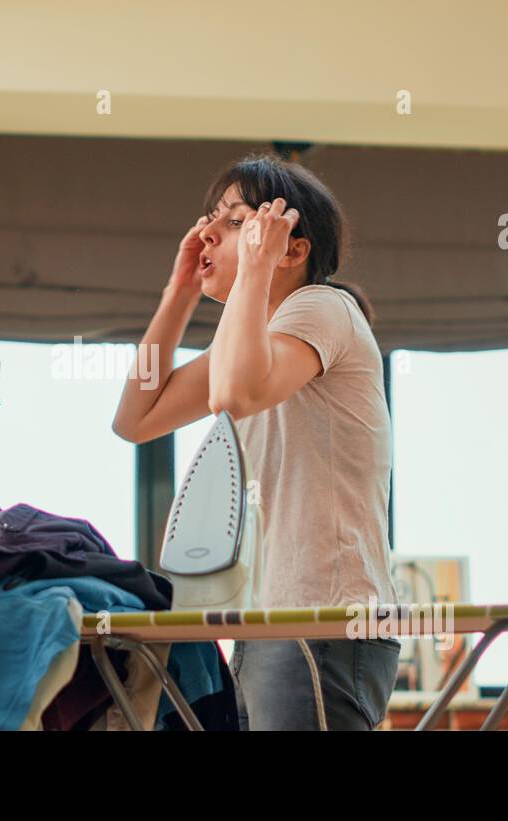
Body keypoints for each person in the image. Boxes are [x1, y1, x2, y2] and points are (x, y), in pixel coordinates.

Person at [112, 154, 401, 730]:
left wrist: (255, 268)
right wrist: (177, 293)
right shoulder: (256, 342)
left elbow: (236, 396)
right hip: (272, 621)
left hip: (323, 618)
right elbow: (135, 417)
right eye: (207, 218)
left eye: (234, 219)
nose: (206, 233)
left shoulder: (323, 307)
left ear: (293, 247)